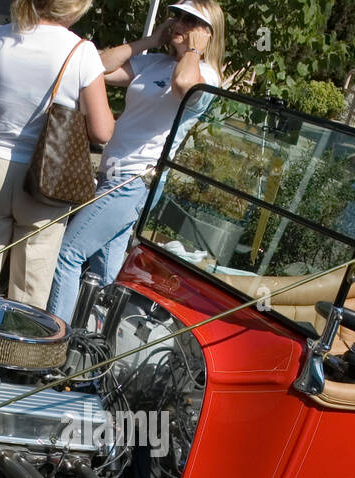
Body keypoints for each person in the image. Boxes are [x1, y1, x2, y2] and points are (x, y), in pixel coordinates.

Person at [46, 1, 226, 324]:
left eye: (190, 20)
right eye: (177, 15)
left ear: (208, 31)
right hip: (112, 175)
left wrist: (195, 51)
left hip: (135, 181)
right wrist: (148, 42)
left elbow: (183, 84)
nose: (179, 23)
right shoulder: (154, 62)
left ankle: (53, 343)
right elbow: (96, 67)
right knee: (105, 274)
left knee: (67, 255)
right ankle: (96, 354)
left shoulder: (205, 75)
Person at [0, 1, 114, 308]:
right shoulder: (81, 52)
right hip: (46, 175)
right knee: (29, 287)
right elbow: (101, 131)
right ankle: (12, 351)